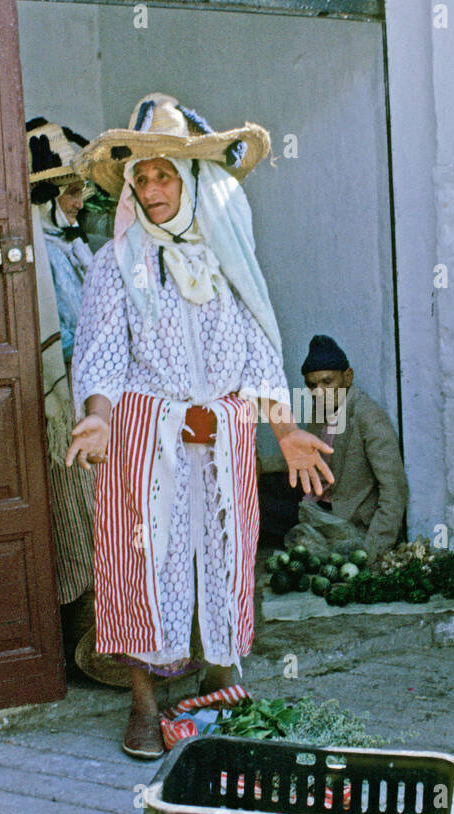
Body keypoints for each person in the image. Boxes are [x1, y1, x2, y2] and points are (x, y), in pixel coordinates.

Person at [68, 93, 332, 759]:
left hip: (219, 433)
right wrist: (97, 419)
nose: (153, 189)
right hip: (143, 432)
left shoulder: (225, 260)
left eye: (165, 176)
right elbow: (100, 350)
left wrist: (286, 427)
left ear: (190, 181)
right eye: (144, 177)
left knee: (223, 547)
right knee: (140, 559)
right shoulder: (116, 265)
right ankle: (143, 698)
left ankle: (219, 675)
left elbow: (257, 350)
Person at [27, 117, 99, 668]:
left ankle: (110, 633)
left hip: (94, 395)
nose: (80, 201)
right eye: (72, 190)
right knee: (77, 509)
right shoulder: (39, 250)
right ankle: (85, 637)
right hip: (66, 399)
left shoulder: (71, 245)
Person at [295, 335, 408, 559]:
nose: (319, 392)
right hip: (319, 507)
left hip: (350, 520)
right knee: (261, 504)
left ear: (348, 377)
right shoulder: (319, 411)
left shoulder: (368, 416)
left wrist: (371, 551)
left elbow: (395, 490)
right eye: (312, 385)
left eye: (327, 382)